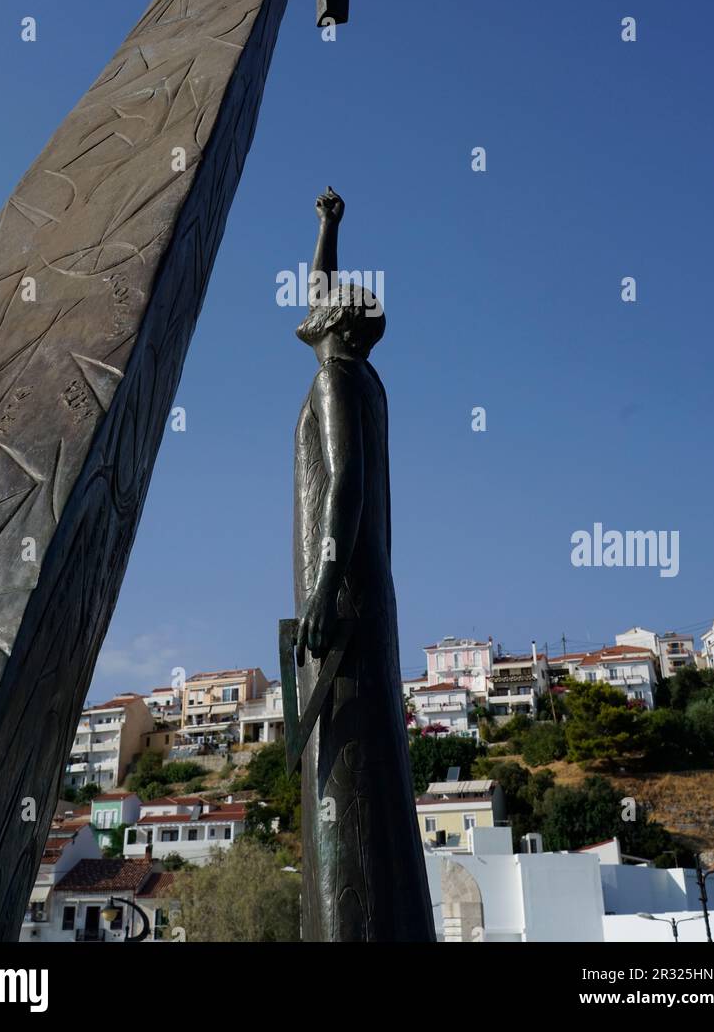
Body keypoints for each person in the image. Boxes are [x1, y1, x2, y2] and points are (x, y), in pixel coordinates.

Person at [292, 187, 435, 942]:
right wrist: (327, 228)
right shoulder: (363, 380)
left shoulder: (334, 379)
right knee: (367, 759)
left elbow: (342, 482)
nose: (307, 304)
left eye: (323, 304)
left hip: (340, 592)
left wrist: (320, 583)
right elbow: (319, 289)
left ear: (336, 326)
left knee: (343, 763)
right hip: (365, 589)